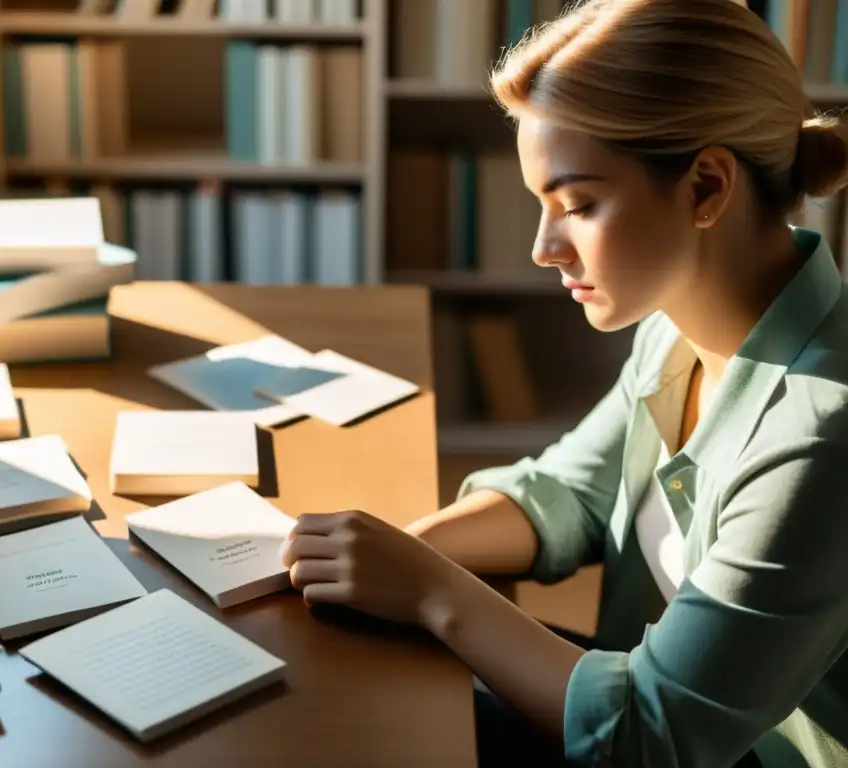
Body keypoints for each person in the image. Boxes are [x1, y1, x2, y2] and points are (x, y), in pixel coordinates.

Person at [278, 0, 848, 765]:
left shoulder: (822, 434)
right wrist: (396, 556)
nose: (546, 248)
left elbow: (649, 734)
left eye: (578, 205)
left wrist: (430, 592)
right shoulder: (674, 329)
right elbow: (570, 492)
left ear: (707, 186)